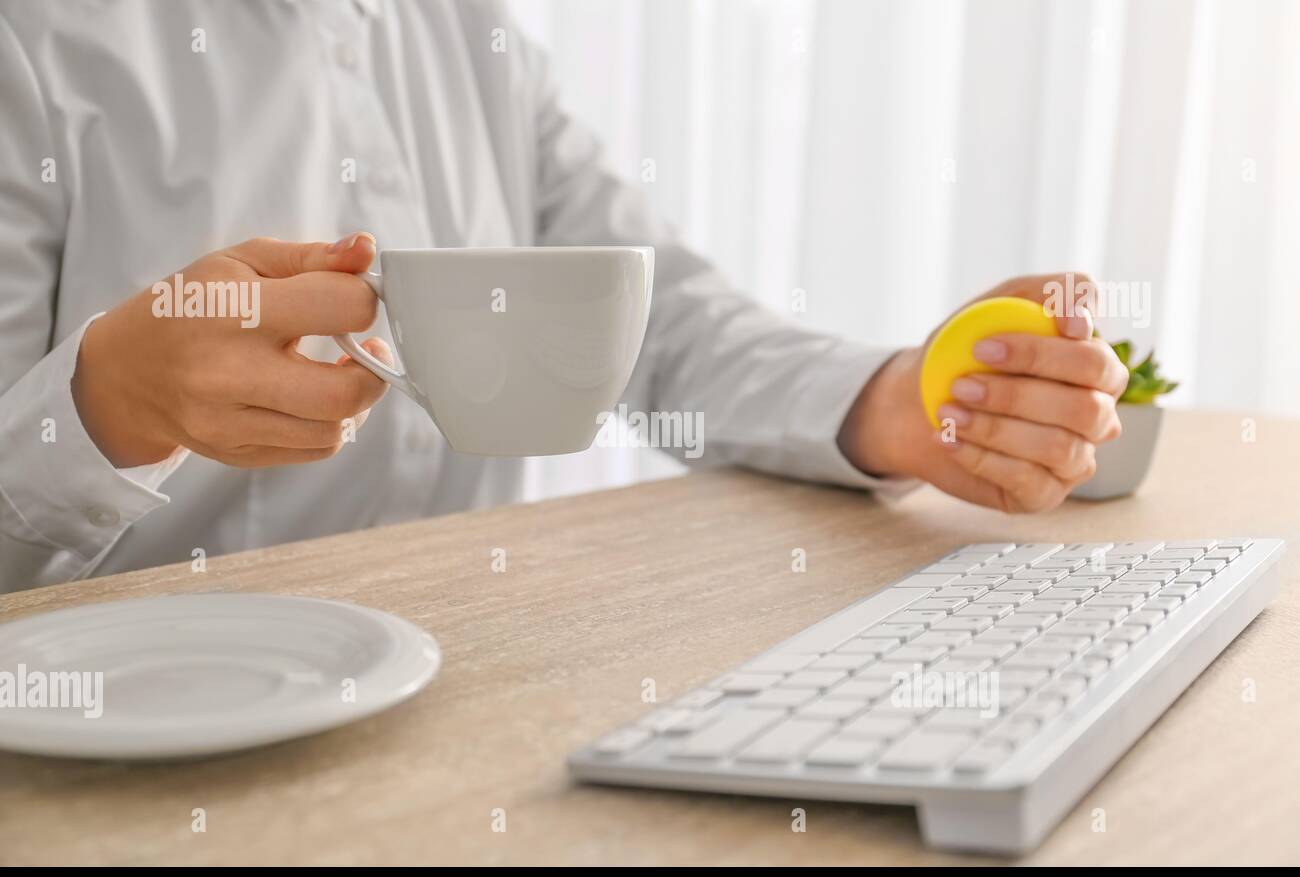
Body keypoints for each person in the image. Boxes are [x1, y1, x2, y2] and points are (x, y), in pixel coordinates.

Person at [0, 0, 1126, 595]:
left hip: (467, 684)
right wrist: (108, 401)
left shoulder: (472, 34)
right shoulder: (37, 40)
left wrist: (888, 405)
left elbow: (660, 320)